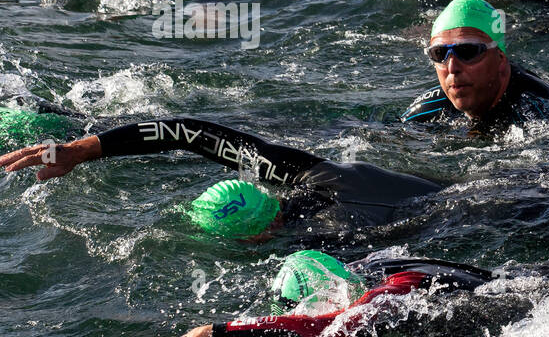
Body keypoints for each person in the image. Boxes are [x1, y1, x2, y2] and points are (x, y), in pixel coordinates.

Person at [0, 116, 444, 234]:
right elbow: (186, 132)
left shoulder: (322, 233)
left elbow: (187, 133)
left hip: (478, 210)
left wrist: (80, 150)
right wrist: (83, 150)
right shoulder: (317, 179)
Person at [131, 249, 494, 337]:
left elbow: (322, 329)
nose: (309, 315)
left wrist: (207, 334)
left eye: (308, 307)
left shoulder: (393, 290)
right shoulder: (385, 272)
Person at [400, 0, 549, 129]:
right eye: (439, 53)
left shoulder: (543, 113)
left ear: (501, 59)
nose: (452, 67)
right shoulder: (430, 108)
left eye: (467, 51)